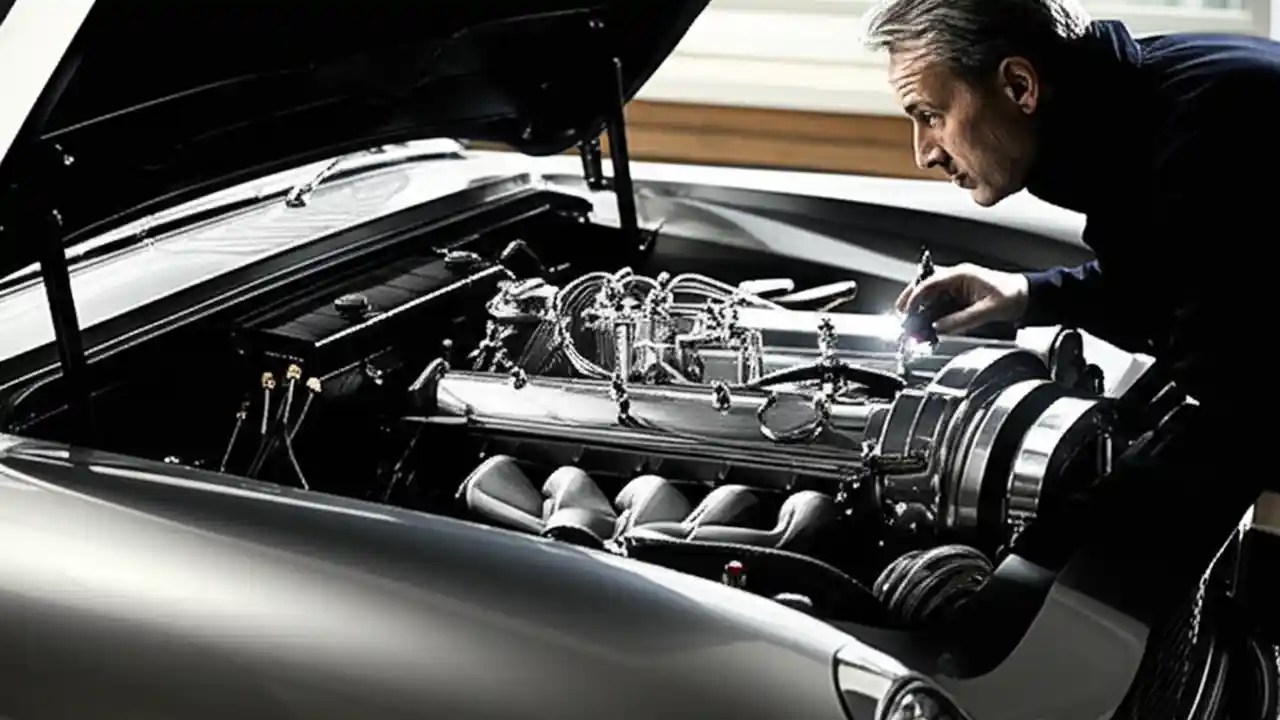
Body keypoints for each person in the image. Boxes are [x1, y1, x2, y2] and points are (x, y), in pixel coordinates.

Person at [859, 0, 1280, 412]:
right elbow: (1163, 288)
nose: (924, 154)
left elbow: (1236, 402)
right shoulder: (1136, 116)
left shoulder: (1209, 133)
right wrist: (1024, 293)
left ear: (1020, 86)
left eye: (932, 116)